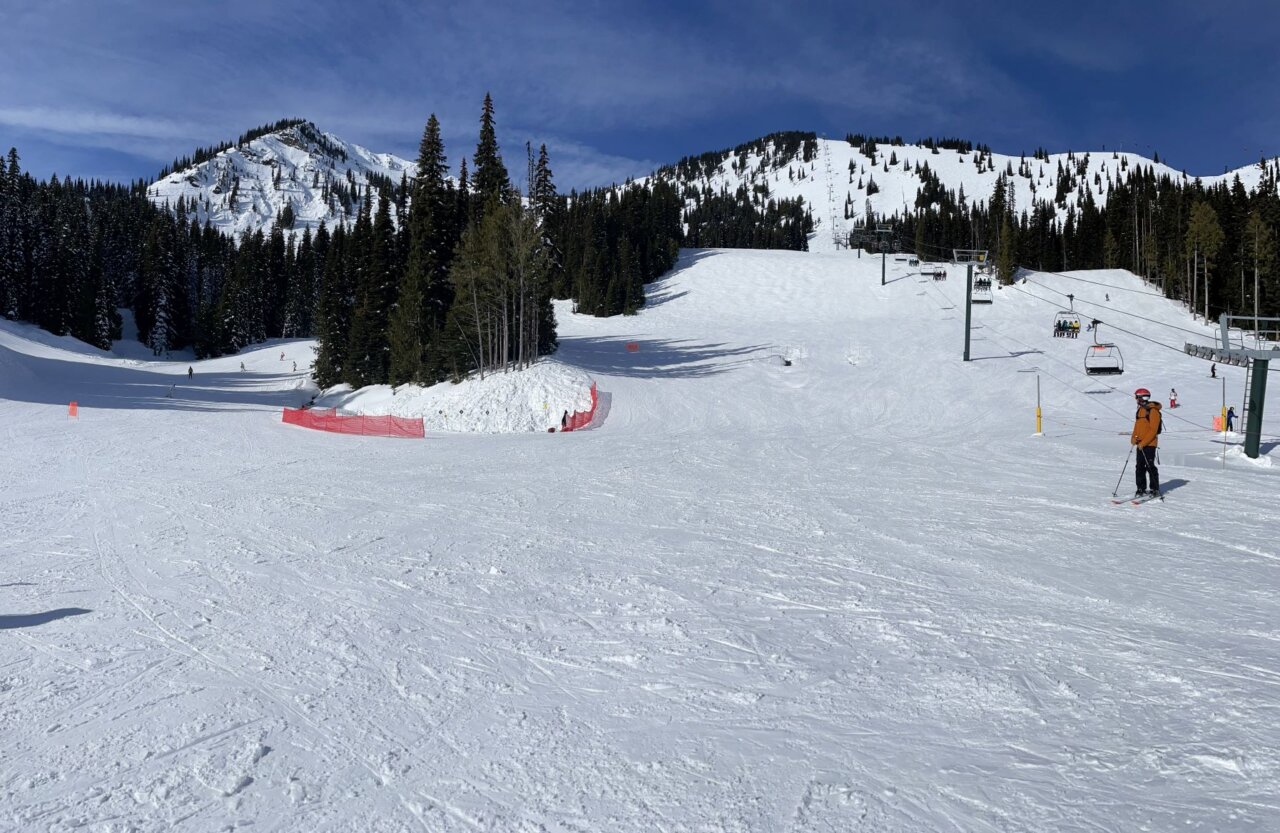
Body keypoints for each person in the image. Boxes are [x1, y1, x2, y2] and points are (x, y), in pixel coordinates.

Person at [1130, 388, 1162, 498]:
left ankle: (1154, 489)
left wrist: (1143, 443)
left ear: (1142, 397)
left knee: (1150, 466)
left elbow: (1153, 430)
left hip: (1150, 444)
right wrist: (1133, 438)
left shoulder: (1153, 411)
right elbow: (1137, 425)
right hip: (1140, 444)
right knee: (1139, 467)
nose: (1136, 399)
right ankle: (1141, 488)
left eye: (1137, 397)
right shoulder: (1140, 410)